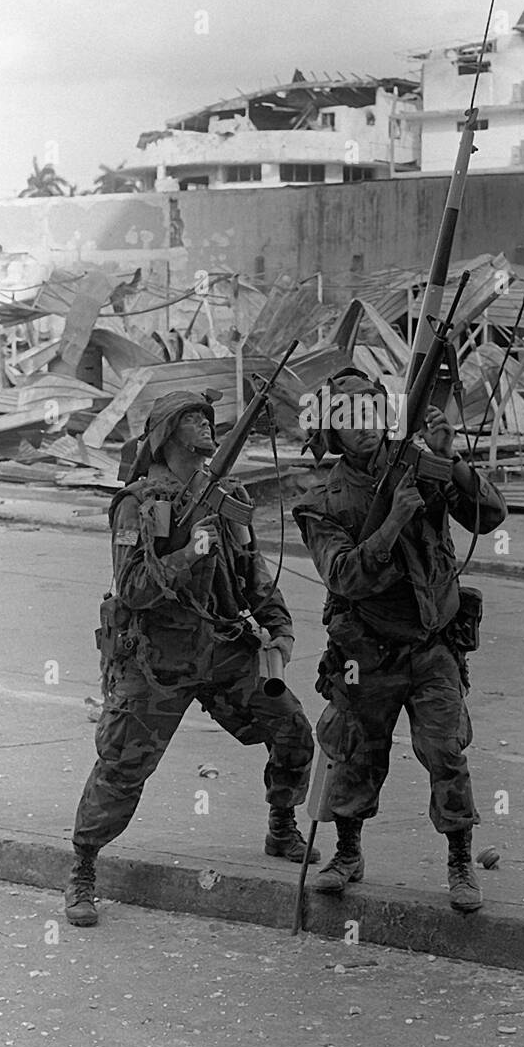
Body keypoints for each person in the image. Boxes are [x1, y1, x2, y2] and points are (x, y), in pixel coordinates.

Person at [65, 390, 317, 927]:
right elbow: (131, 588)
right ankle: (84, 866)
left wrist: (278, 627)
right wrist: (187, 552)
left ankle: (281, 824)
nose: (206, 425)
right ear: (165, 433)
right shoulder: (138, 504)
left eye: (207, 417)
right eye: (192, 419)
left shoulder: (225, 494)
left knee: (293, 729)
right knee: (122, 768)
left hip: (222, 649)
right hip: (158, 661)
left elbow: (250, 569)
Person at [292, 369, 507, 913]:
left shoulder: (417, 463)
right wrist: (392, 522)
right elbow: (343, 576)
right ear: (331, 435)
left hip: (431, 641)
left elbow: (490, 517)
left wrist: (450, 461)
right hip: (365, 647)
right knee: (356, 753)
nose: (364, 427)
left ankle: (460, 861)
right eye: (349, 420)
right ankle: (347, 853)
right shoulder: (324, 500)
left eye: (371, 413)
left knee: (445, 752)